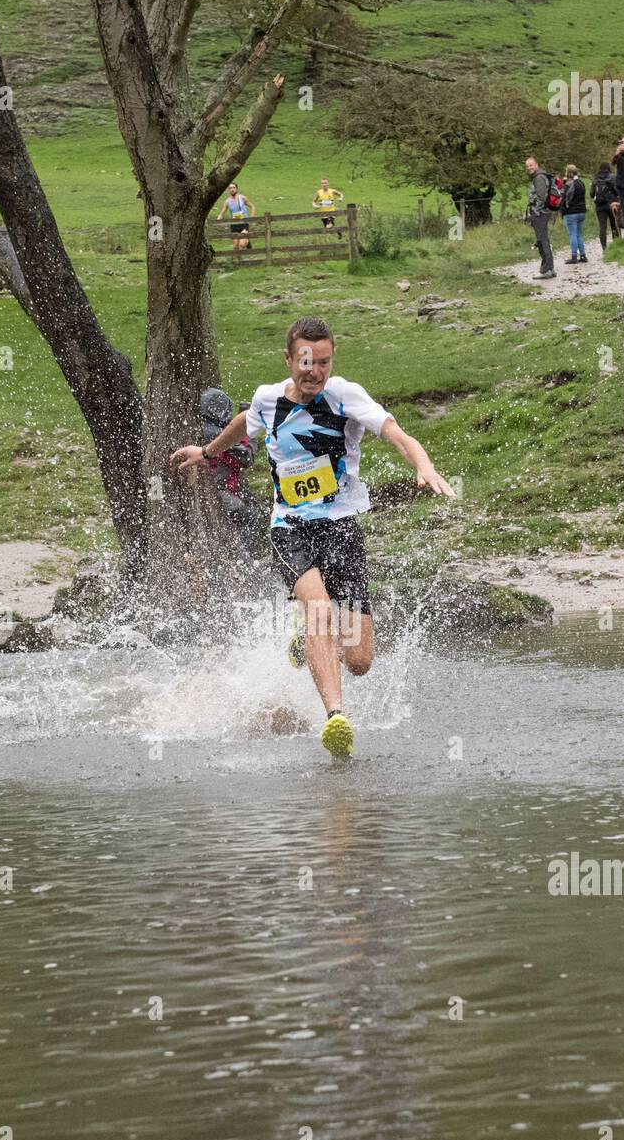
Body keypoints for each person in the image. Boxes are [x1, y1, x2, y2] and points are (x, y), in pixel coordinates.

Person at [171, 316, 456, 758]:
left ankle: (307, 638)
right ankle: (336, 718)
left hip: (341, 528)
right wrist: (207, 452)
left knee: (359, 661)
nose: (314, 371)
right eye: (306, 361)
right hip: (290, 529)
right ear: (289, 359)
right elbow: (247, 421)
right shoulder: (268, 400)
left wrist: (424, 466)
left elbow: (397, 433)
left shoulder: (346, 396)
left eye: (322, 362)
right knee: (320, 610)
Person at [198, 388, 264, 560]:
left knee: (258, 511)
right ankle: (243, 561)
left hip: (215, 490)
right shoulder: (218, 435)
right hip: (216, 492)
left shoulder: (200, 428)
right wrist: (248, 430)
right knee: (252, 518)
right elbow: (245, 458)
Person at [524, 156, 556, 278]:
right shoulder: (539, 176)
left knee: (542, 241)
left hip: (540, 213)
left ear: (536, 165)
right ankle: (551, 269)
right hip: (542, 212)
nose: (529, 168)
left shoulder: (539, 178)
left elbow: (541, 197)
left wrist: (536, 212)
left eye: (531, 165)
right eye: (527, 166)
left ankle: (546, 270)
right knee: (544, 240)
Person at [216, 183, 255, 256]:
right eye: (230, 188)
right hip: (234, 225)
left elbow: (252, 206)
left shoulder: (242, 198)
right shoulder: (227, 201)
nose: (232, 189)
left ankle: (247, 242)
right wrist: (218, 219)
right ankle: (238, 262)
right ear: (229, 190)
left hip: (244, 223)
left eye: (233, 187)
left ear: (237, 189)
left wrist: (252, 219)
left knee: (242, 244)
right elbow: (222, 213)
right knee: (235, 247)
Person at [560, 164, 587, 264]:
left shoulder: (568, 184)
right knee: (579, 234)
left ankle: (574, 256)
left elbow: (564, 197)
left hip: (571, 212)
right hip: (582, 211)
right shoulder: (581, 183)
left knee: (572, 234)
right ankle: (583, 255)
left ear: (568, 172)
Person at [590, 161, 619, 250]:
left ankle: (604, 248)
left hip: (599, 206)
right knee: (614, 224)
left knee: (602, 227)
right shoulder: (613, 177)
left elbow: (591, 194)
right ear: (608, 168)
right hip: (612, 204)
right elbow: (617, 190)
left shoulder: (595, 178)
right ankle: (616, 245)